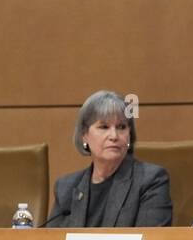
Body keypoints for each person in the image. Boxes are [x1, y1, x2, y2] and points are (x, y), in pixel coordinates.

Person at [48, 90, 172, 227]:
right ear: (85, 135)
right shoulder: (66, 187)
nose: (114, 136)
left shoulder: (150, 181)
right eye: (104, 127)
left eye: (121, 127)